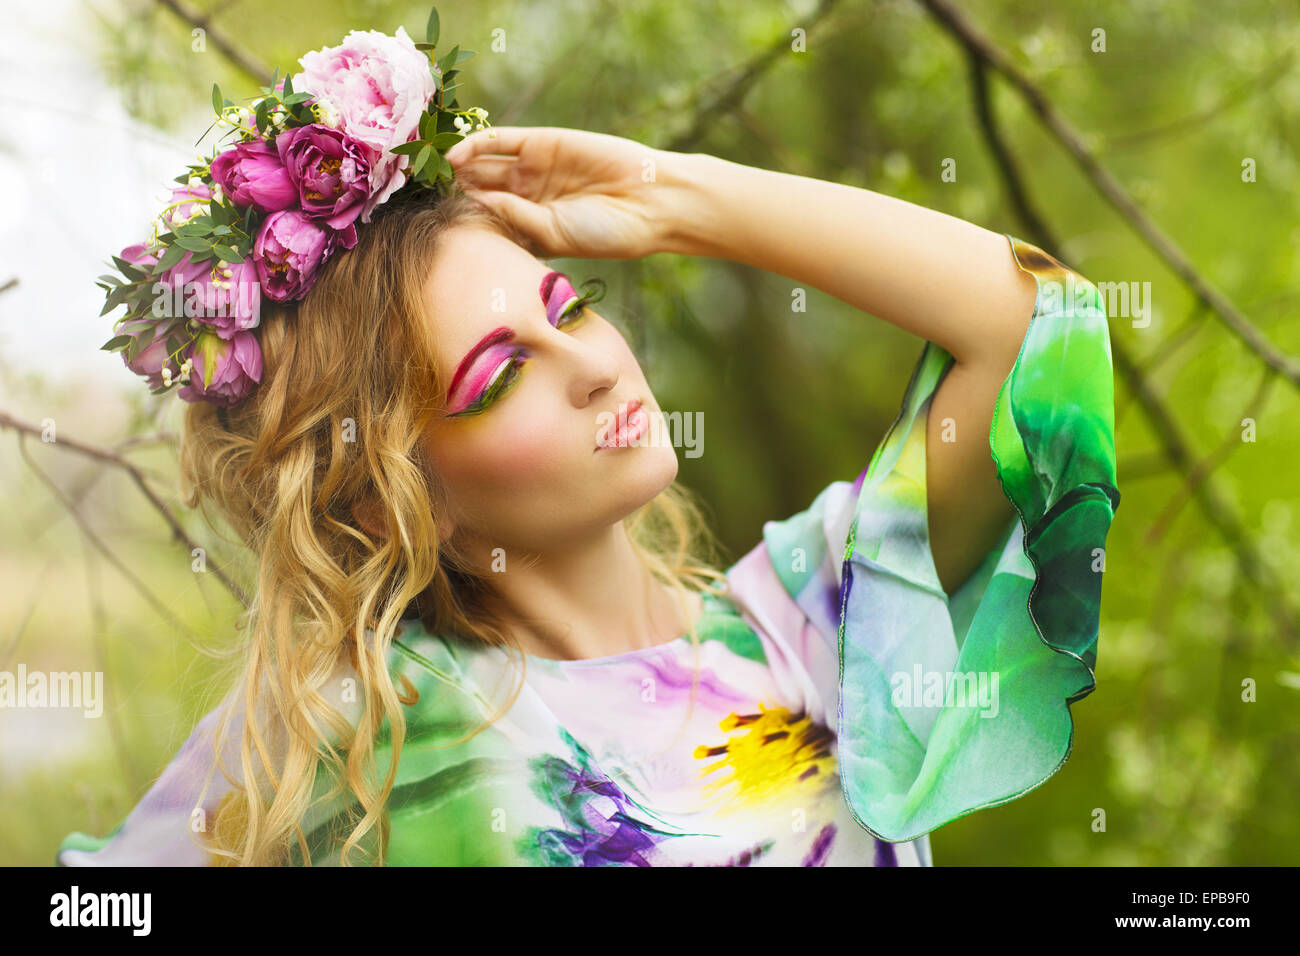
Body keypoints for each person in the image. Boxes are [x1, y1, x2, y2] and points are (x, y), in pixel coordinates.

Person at [57, 33, 1119, 867]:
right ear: (387, 493)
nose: (598, 367)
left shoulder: (813, 623)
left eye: (569, 306)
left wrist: (672, 198)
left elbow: (1037, 326)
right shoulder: (351, 742)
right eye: (499, 373)